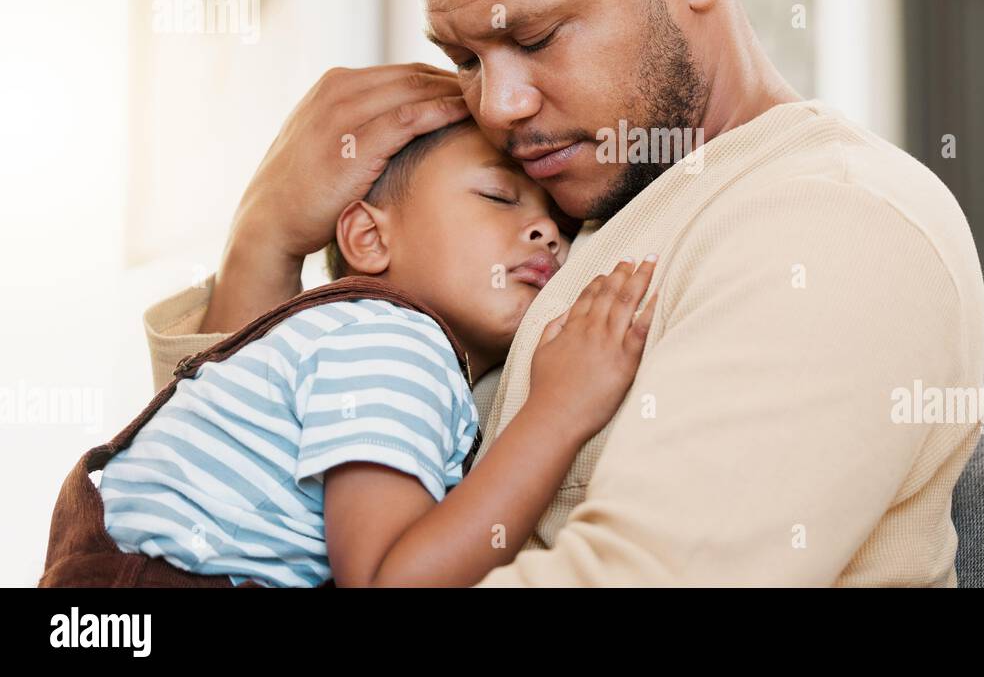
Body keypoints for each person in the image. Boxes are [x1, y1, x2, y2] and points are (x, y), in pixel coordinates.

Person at [143, 0, 984, 585]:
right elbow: (235, 516)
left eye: (537, 37)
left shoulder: (835, 226)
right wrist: (264, 238)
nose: (498, 104)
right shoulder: (552, 224)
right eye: (464, 57)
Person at [100, 119, 656, 586]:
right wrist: (559, 409)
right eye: (497, 196)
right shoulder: (392, 340)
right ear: (369, 238)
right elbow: (387, 579)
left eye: (561, 226)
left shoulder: (359, 338)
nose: (545, 231)